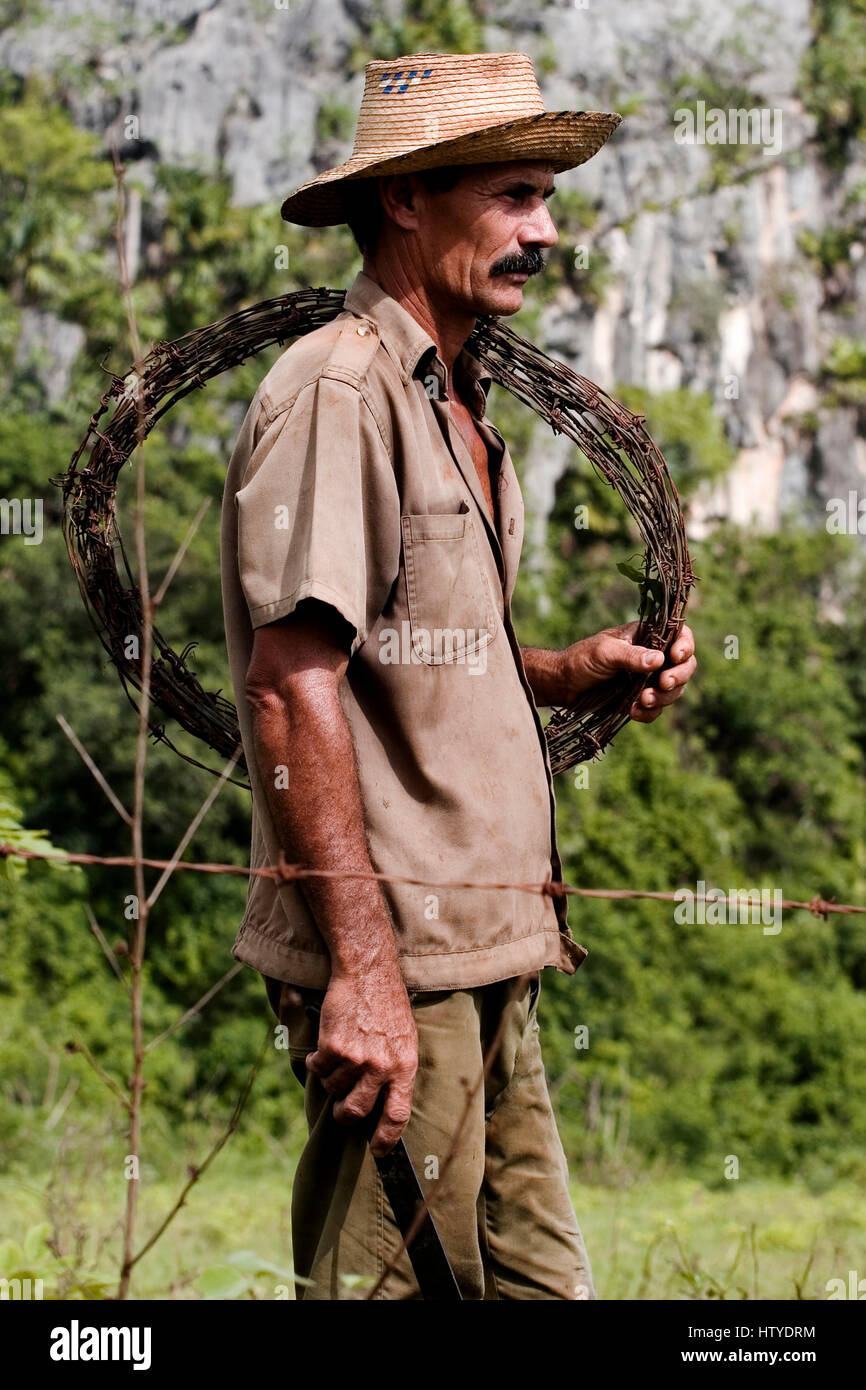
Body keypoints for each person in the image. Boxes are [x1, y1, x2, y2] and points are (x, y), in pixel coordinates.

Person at [220, 49, 697, 1300]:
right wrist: (366, 977)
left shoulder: (452, 399)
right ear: (403, 200)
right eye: (512, 196)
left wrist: (559, 671)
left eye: (546, 198)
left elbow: (411, 650)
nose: (543, 231)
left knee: (540, 1287)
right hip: (402, 960)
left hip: (491, 941)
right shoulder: (339, 392)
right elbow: (288, 681)